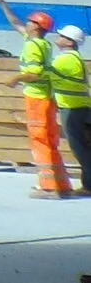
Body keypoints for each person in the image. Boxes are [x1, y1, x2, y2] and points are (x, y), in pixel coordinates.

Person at [0, 0, 73, 197]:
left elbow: (35, 73)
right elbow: (16, 24)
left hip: (37, 98)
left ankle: (48, 186)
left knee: (40, 140)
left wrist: (15, 78)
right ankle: (61, 185)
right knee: (50, 139)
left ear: (37, 27)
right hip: (45, 97)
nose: (26, 23)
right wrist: (3, 4)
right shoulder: (41, 43)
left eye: (31, 22)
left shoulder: (32, 47)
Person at [54, 26, 91, 189]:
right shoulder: (74, 57)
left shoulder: (65, 59)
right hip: (80, 107)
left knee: (80, 148)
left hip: (73, 109)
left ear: (69, 41)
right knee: (84, 146)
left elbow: (45, 75)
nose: (58, 37)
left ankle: (89, 185)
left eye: (61, 35)